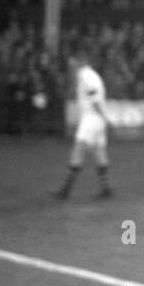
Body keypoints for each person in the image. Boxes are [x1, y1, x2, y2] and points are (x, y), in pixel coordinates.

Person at [53, 50, 113, 200]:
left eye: (71, 63)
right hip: (97, 119)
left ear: (80, 62)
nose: (70, 67)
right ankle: (106, 188)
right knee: (99, 152)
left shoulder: (86, 76)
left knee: (78, 150)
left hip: (92, 117)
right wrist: (105, 119)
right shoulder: (91, 75)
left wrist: (105, 117)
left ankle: (65, 190)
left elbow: (95, 99)